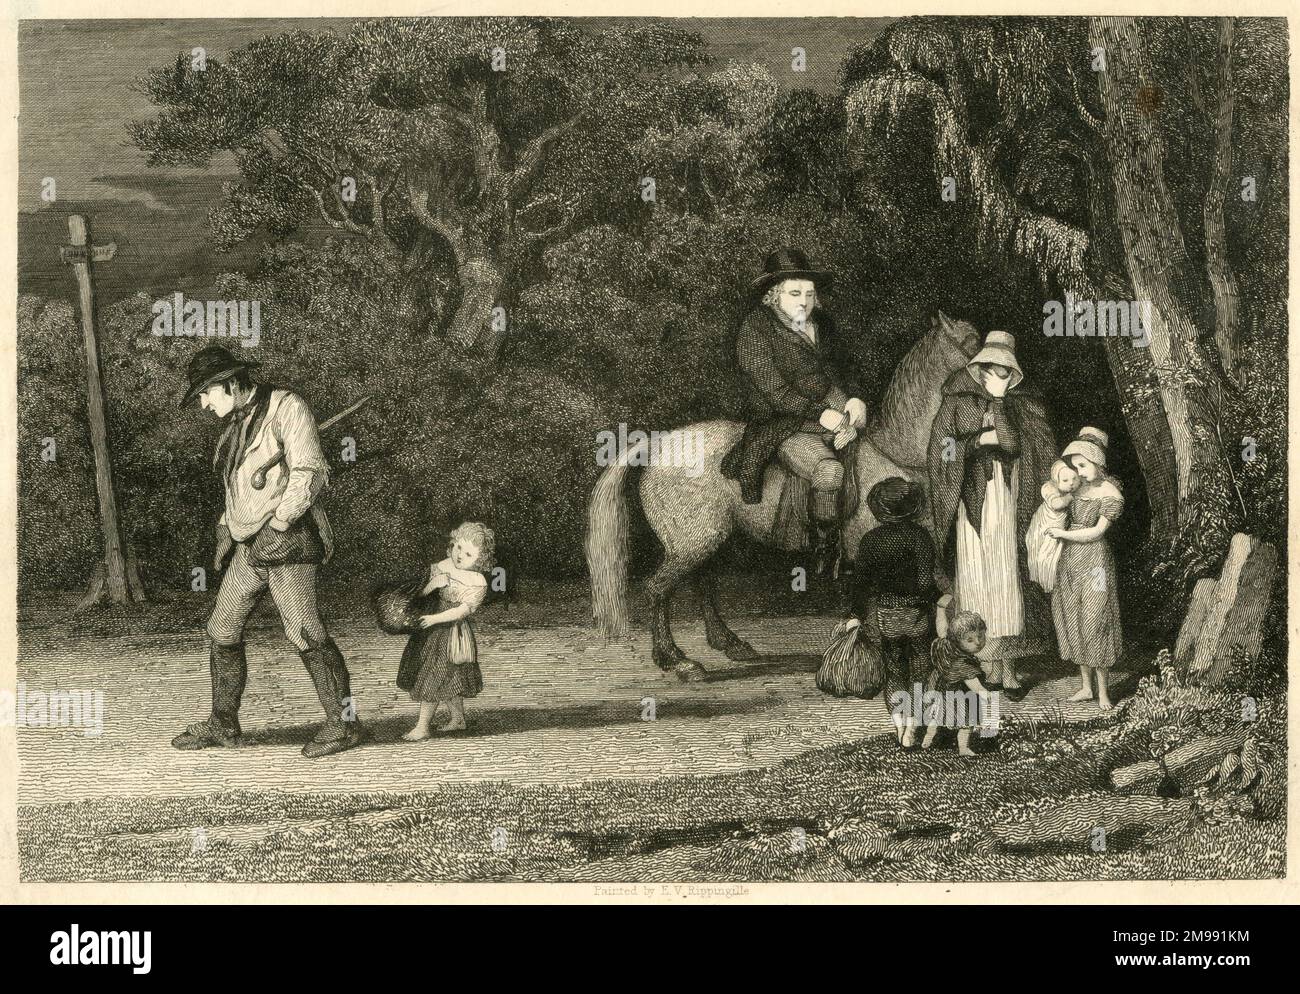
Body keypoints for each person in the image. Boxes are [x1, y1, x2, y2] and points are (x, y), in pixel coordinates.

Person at [172, 345, 368, 757]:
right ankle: (224, 724)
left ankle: (344, 724)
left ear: (229, 384)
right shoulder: (237, 423)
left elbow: (309, 474)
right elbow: (239, 484)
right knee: (221, 629)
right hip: (250, 543)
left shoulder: (287, 407)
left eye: (207, 394)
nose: (205, 404)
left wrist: (279, 524)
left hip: (289, 540)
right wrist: (227, 527)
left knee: (305, 633)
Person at [721, 248, 870, 574]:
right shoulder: (755, 330)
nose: (803, 301)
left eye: (809, 293)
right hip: (783, 425)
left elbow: (848, 370)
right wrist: (819, 413)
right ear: (773, 295)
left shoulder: (824, 326)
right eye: (794, 293)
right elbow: (773, 391)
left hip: (835, 415)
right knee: (830, 471)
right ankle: (825, 546)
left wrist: (855, 402)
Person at [926, 330, 1055, 700]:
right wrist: (978, 442)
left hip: (1008, 498)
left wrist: (998, 404)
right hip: (970, 501)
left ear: (1012, 375)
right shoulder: (954, 401)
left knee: (1006, 582)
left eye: (1004, 371)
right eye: (990, 369)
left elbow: (1016, 444)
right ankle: (982, 664)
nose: (995, 376)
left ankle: (1008, 668)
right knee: (977, 578)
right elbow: (942, 451)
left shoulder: (1019, 402)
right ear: (979, 368)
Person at [844, 477, 940, 749]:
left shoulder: (871, 540)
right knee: (921, 669)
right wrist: (939, 598)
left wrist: (855, 614)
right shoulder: (920, 537)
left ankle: (900, 728)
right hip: (917, 614)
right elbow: (924, 582)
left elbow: (860, 583)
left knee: (895, 668)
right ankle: (913, 729)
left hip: (887, 614)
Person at [1047, 428, 1125, 710]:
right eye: (1074, 466)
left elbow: (1097, 532)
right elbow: (1052, 499)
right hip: (1070, 561)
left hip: (1095, 563)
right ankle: (1085, 686)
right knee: (1073, 617)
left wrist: (1062, 534)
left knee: (1096, 621)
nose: (1077, 471)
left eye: (1082, 465)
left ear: (1098, 463)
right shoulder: (1076, 488)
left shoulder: (1111, 493)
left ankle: (1103, 692)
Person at [397, 522, 495, 738]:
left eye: (468, 554)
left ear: (480, 559)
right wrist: (433, 585)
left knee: (437, 675)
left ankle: (423, 727)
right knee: (445, 675)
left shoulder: (477, 581)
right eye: (459, 547)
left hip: (451, 632)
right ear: (453, 543)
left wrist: (434, 619)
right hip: (430, 630)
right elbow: (418, 595)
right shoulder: (441, 566)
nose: (460, 555)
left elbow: (461, 611)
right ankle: (458, 719)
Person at [922, 610, 992, 756]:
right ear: (957, 641)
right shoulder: (964, 662)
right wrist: (983, 693)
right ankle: (963, 748)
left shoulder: (946, 648)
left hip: (943, 694)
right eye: (970, 640)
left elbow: (941, 629)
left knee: (937, 718)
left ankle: (928, 737)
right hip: (961, 699)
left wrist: (940, 610)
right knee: (966, 724)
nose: (978, 643)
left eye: (980, 636)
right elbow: (971, 681)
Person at [1025, 459, 1081, 593]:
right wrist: (1070, 497)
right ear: (1056, 480)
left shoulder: (1076, 488)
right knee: (1044, 555)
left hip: (1059, 528)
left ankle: (1051, 586)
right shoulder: (1049, 488)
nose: (1071, 484)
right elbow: (1056, 504)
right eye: (1065, 481)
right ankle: (1044, 585)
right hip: (1045, 525)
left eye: (1074, 478)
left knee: (1055, 557)